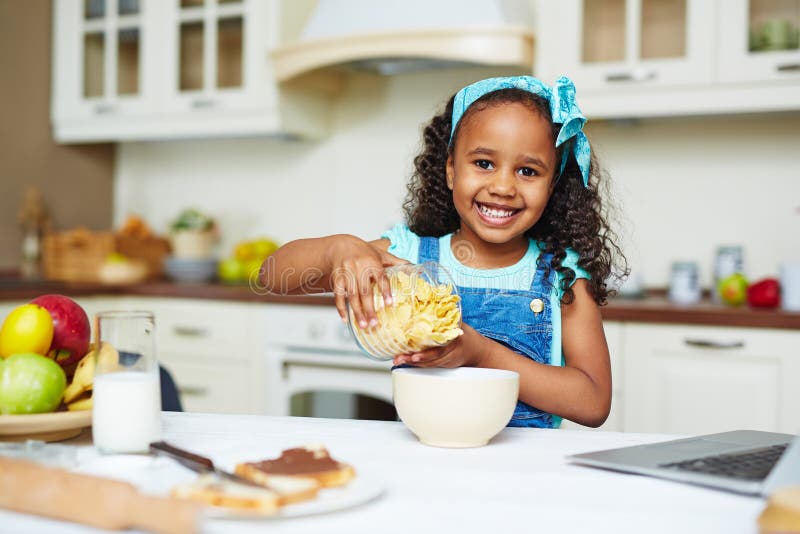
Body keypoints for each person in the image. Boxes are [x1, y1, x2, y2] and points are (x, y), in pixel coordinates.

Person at [260, 75, 627, 428]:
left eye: (528, 171)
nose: (503, 186)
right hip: (425, 460)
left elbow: (593, 403)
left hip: (525, 465)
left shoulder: (563, 273)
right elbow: (271, 276)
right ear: (451, 170)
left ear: (553, 185)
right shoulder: (407, 258)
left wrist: (482, 354)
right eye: (483, 163)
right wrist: (335, 250)